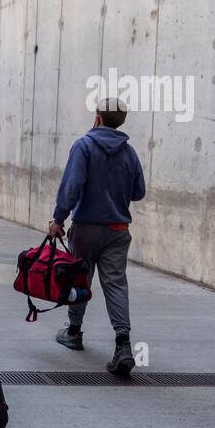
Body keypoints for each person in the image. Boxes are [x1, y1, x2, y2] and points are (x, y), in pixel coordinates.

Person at [48, 97, 146, 376]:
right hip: (117, 230)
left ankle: (74, 332)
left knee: (80, 278)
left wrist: (58, 218)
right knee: (116, 284)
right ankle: (123, 344)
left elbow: (71, 187)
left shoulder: (84, 145)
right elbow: (139, 193)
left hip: (87, 228)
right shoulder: (130, 153)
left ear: (97, 118)